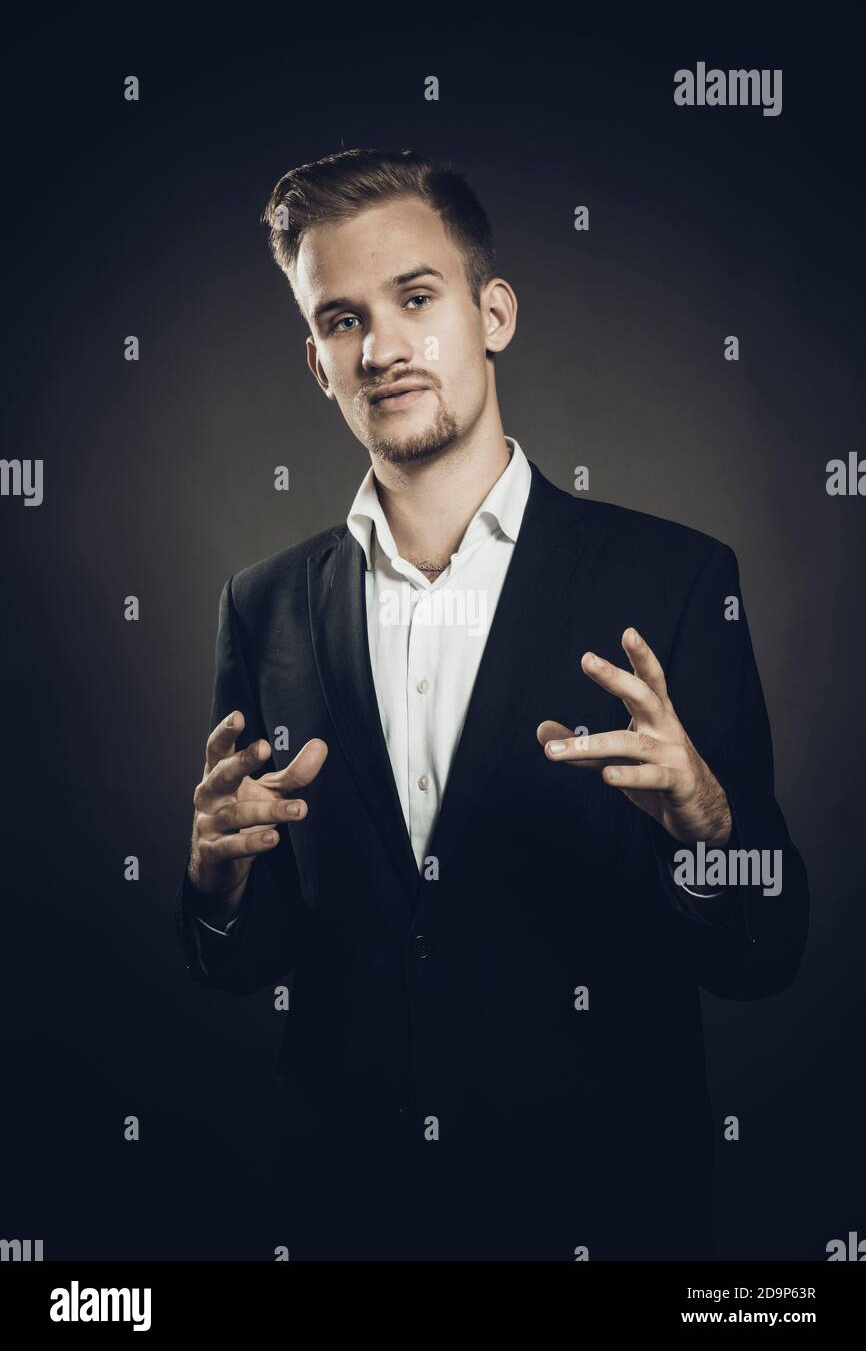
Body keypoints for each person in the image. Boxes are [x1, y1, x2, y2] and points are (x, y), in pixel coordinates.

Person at [175, 148, 809, 1261]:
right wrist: (217, 883)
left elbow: (764, 952)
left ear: (492, 313)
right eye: (339, 320)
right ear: (315, 362)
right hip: (344, 1214)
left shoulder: (673, 582)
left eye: (414, 298)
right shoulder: (262, 604)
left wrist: (707, 824)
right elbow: (248, 958)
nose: (379, 348)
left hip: (601, 1212)